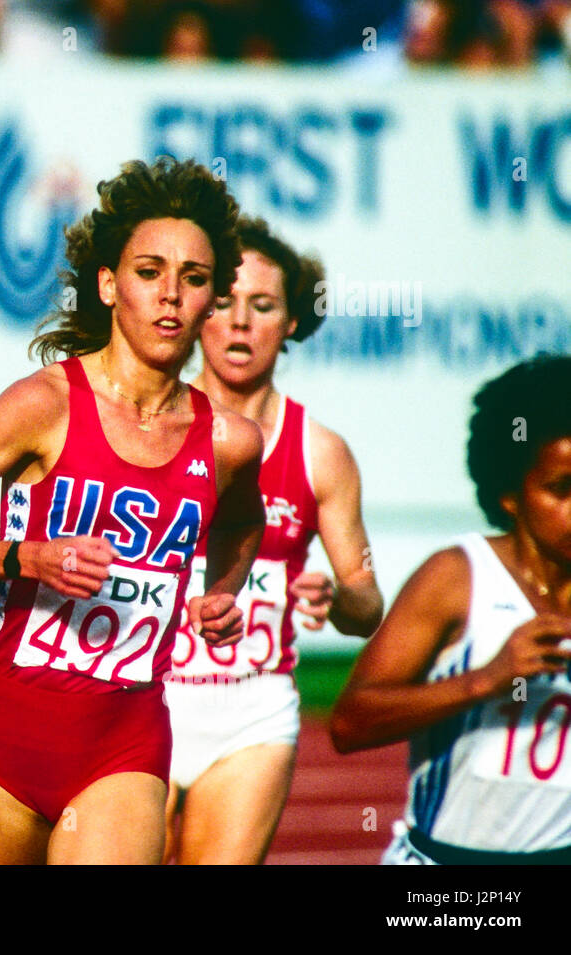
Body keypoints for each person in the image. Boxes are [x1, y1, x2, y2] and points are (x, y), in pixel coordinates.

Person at [0, 157, 266, 865]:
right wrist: (23, 556)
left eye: (195, 278)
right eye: (149, 272)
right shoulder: (42, 405)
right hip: (3, 744)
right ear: (110, 285)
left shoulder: (230, 441)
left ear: (214, 298)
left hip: (125, 742)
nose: (171, 296)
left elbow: (243, 522)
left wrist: (221, 589)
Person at [162, 217, 384, 864]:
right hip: (145, 698)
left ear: (290, 322)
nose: (239, 323)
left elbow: (368, 605)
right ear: (199, 308)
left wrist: (337, 598)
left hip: (252, 706)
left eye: (262, 306)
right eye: (225, 302)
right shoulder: (149, 430)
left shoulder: (321, 452)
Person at [331, 353, 571, 864]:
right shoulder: (458, 576)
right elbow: (350, 724)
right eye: (561, 490)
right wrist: (486, 679)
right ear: (510, 492)